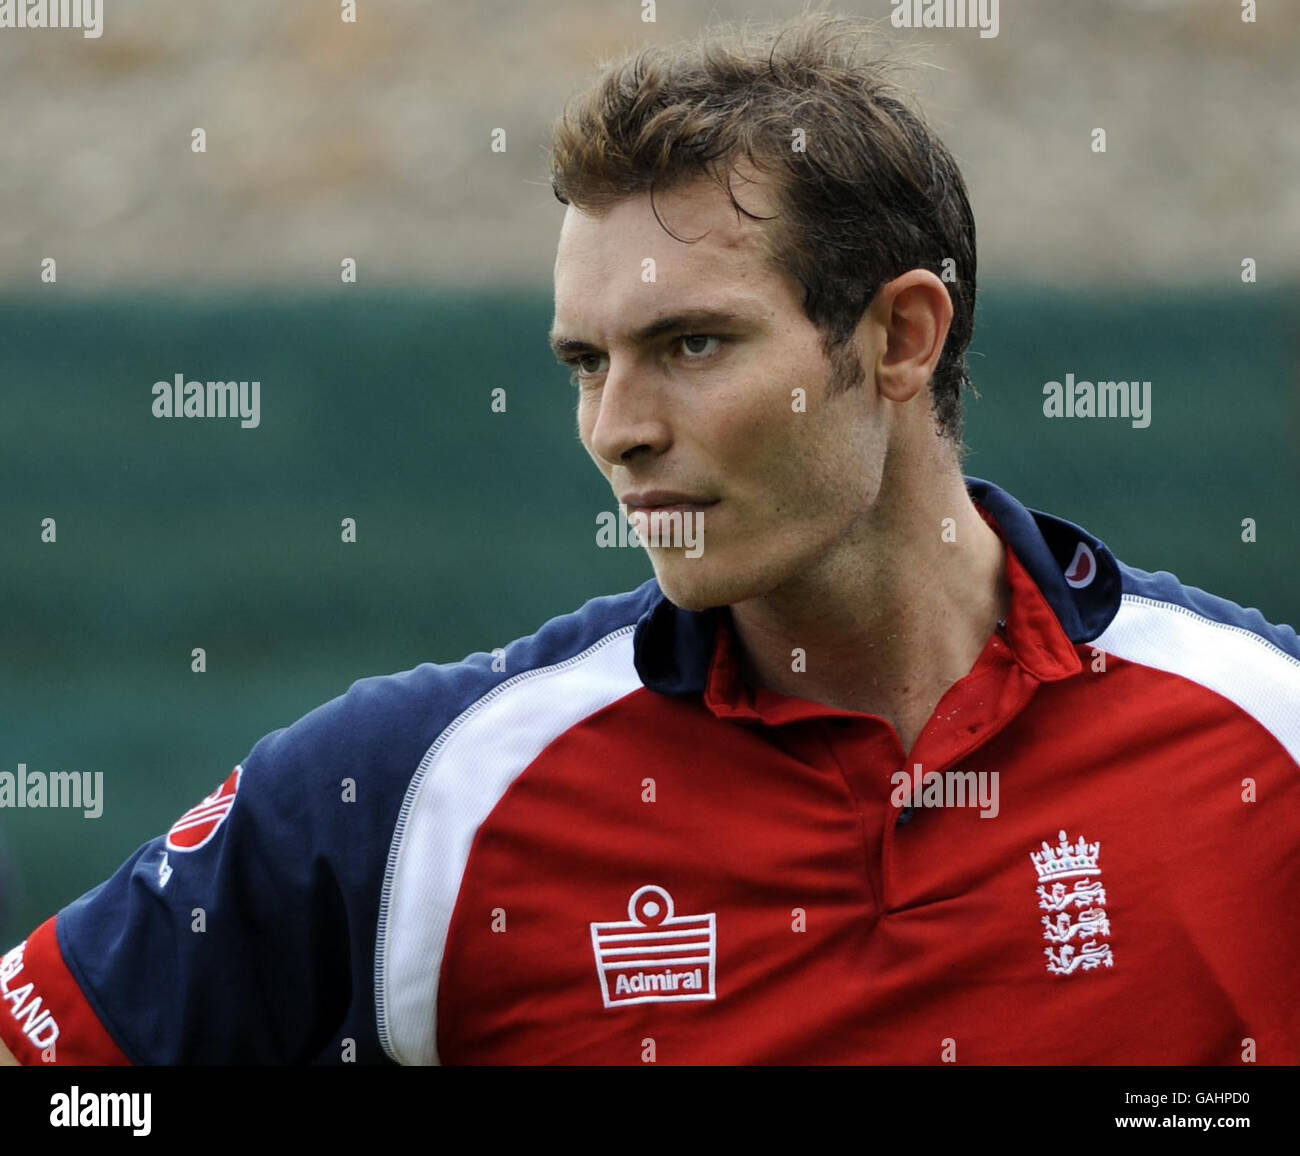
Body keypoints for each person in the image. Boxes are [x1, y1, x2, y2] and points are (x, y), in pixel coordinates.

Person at [3, 12, 1296, 1066]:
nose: (617, 431)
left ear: (901, 337)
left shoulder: (1266, 747)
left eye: (691, 345)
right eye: (584, 363)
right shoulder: (414, 794)